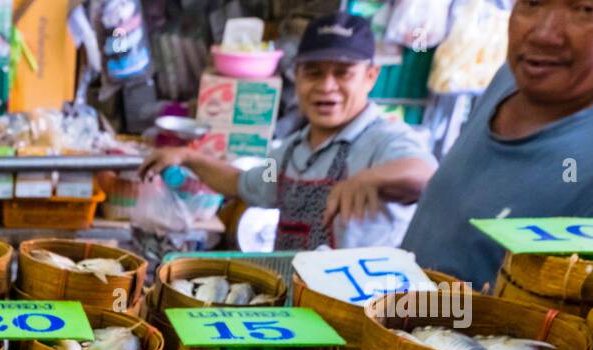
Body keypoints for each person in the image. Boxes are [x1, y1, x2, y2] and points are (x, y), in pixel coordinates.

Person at [141, 12, 436, 250]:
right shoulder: (287, 152)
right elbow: (244, 182)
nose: (326, 86)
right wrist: (187, 157)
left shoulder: (384, 140)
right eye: (314, 72)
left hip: (358, 311)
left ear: (370, 77)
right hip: (296, 307)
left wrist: (373, 178)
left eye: (343, 73)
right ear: (297, 76)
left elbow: (425, 176)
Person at [403, 0, 593, 289]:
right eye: (532, 3)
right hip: (393, 316)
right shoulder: (516, 75)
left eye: (585, 9)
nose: (544, 34)